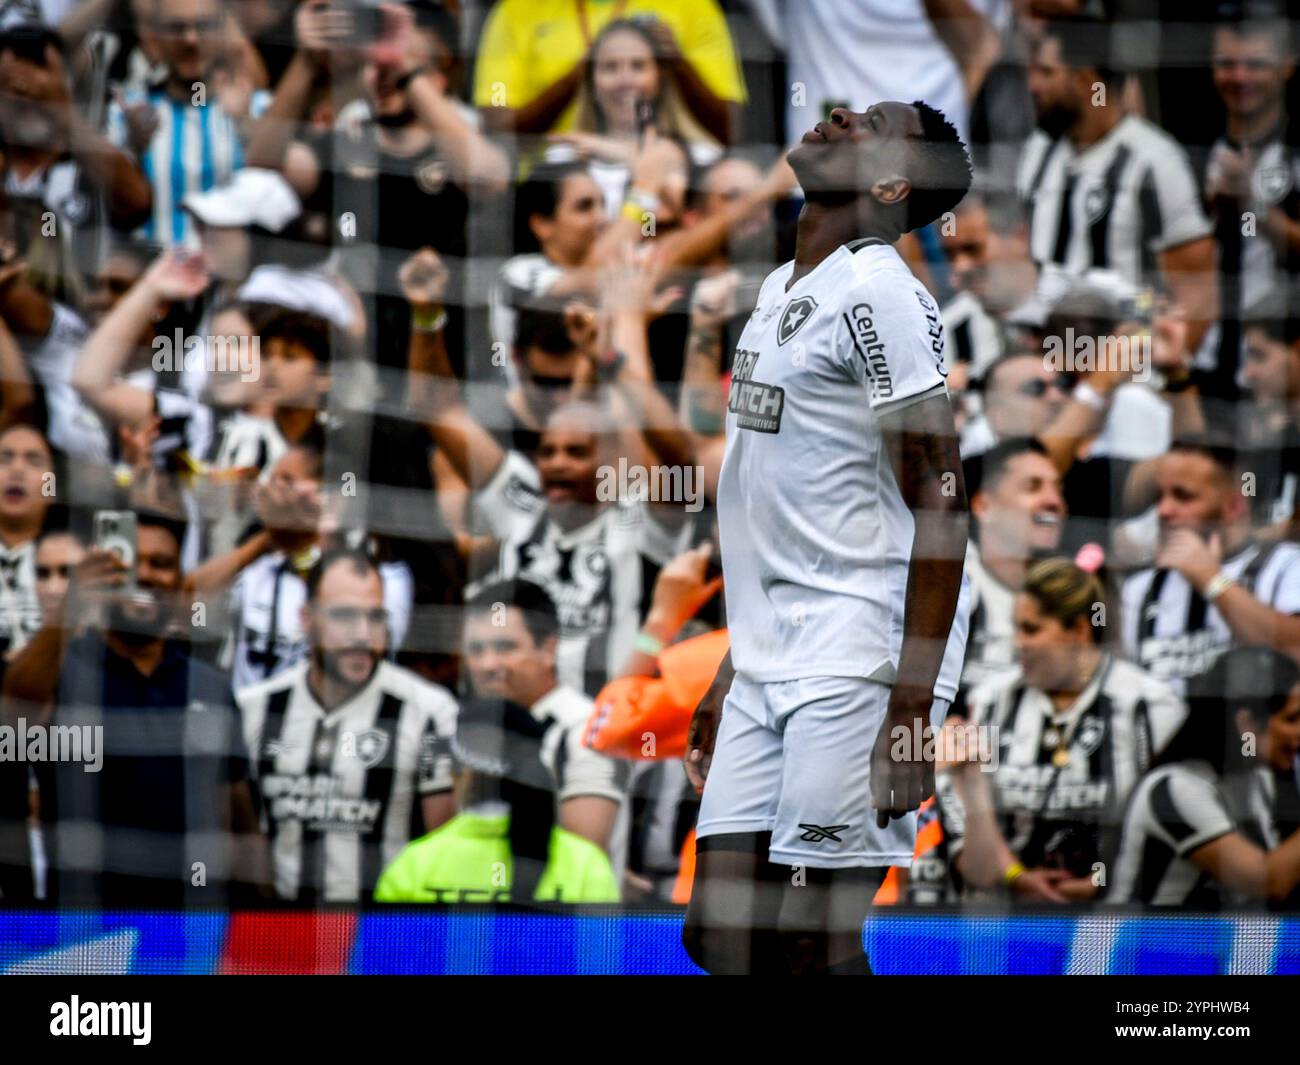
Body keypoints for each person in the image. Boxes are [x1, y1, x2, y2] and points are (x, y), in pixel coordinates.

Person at [682, 101, 973, 976]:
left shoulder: (882, 289)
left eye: (867, 122)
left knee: (812, 935)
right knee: (720, 934)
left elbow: (944, 496)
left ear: (889, 184)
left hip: (864, 651)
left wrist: (913, 707)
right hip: (773, 656)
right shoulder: (779, 291)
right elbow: (780, 511)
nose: (839, 112)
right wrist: (735, 664)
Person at [1, 508, 267, 905]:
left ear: (180, 583)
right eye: (128, 564)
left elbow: (240, 823)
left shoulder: (208, 684)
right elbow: (14, 716)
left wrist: (265, 917)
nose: (145, 575)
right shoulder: (62, 671)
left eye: (161, 565)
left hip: (191, 934)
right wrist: (69, 611)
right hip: (88, 935)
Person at [235, 547, 458, 903]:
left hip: (381, 935)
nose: (362, 634)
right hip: (281, 931)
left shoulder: (429, 711)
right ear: (306, 619)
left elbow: (444, 843)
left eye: (375, 618)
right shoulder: (254, 709)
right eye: (344, 616)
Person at [1019, 16, 1217, 354]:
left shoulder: (1155, 162)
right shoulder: (1038, 151)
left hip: (1125, 370)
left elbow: (1197, 294)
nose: (1033, 85)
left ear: (1084, 81)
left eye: (1047, 73)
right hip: (1049, 364)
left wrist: (1163, 379)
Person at [374, 690, 619, 904]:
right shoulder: (586, 865)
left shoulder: (415, 864)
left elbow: (382, 956)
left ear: (461, 774)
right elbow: (601, 955)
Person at [1111, 646, 1300, 907]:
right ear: (1246, 724)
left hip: (1212, 945)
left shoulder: (1259, 780)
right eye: (1292, 719)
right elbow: (1267, 883)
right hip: (1144, 945)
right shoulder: (1175, 788)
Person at [1121, 437, 1300, 694]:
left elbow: (1295, 650)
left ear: (1233, 507)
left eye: (1183, 497)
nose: (1163, 510)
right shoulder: (1139, 588)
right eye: (1159, 496)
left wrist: (1211, 581)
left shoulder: (1286, 566)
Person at [461, 579, 624, 855]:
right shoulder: (464, 722)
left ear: (548, 650)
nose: (488, 664)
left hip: (559, 897)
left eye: (504, 648)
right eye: (476, 650)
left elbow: (583, 855)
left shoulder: (585, 729)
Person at [105, 0, 269, 246]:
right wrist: (132, 148)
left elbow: (275, 200)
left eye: (204, 27)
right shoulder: (123, 112)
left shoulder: (259, 107)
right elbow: (114, 208)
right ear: (154, 38)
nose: (190, 39)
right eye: (176, 28)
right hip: (151, 270)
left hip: (235, 277)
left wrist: (244, 125)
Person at [473, 0, 744, 142]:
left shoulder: (691, 5)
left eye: (638, 66)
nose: (625, 80)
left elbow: (736, 130)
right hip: (551, 190)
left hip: (670, 176)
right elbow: (496, 124)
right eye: (611, 68)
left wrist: (681, 67)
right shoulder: (514, 10)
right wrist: (580, 74)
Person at [1202, 18, 1300, 405]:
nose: (1240, 77)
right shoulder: (1193, 148)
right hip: (1207, 357)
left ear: (1287, 65)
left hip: (1279, 362)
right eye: (1227, 63)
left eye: (1256, 64)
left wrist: (1254, 206)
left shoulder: (1293, 154)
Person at [963, 437, 1066, 687]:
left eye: (1058, 490)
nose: (1055, 502)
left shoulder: (1072, 592)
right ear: (984, 506)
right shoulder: (953, 585)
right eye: (1032, 487)